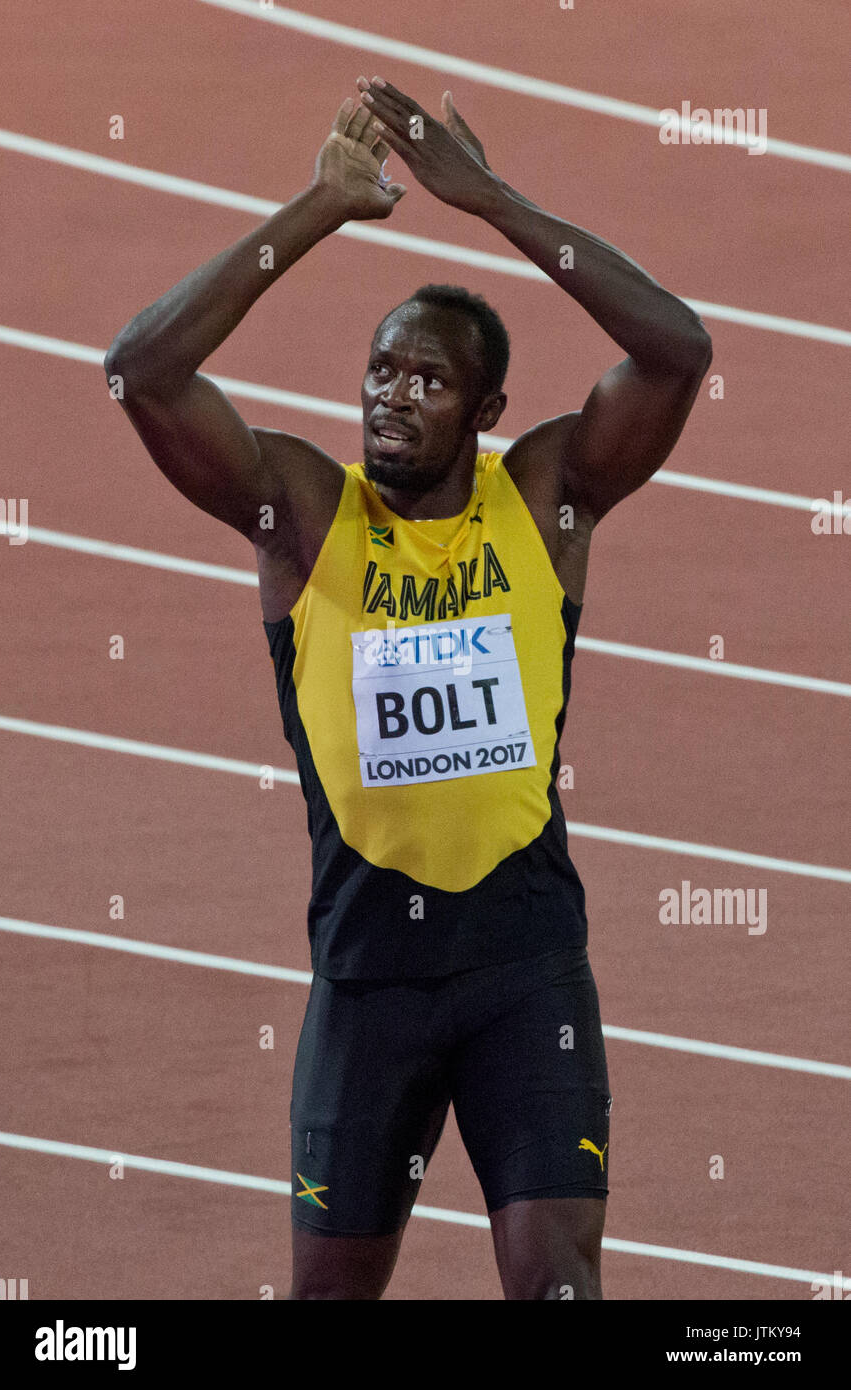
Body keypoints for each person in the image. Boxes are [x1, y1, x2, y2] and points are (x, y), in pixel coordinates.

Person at [104, 77, 711, 1300]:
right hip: (368, 978)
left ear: (485, 411)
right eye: (380, 370)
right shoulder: (304, 513)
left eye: (427, 380)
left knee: (557, 1285)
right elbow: (142, 373)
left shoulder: (544, 501)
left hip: (523, 964)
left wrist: (490, 203)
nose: (392, 394)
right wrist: (314, 211)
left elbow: (675, 348)